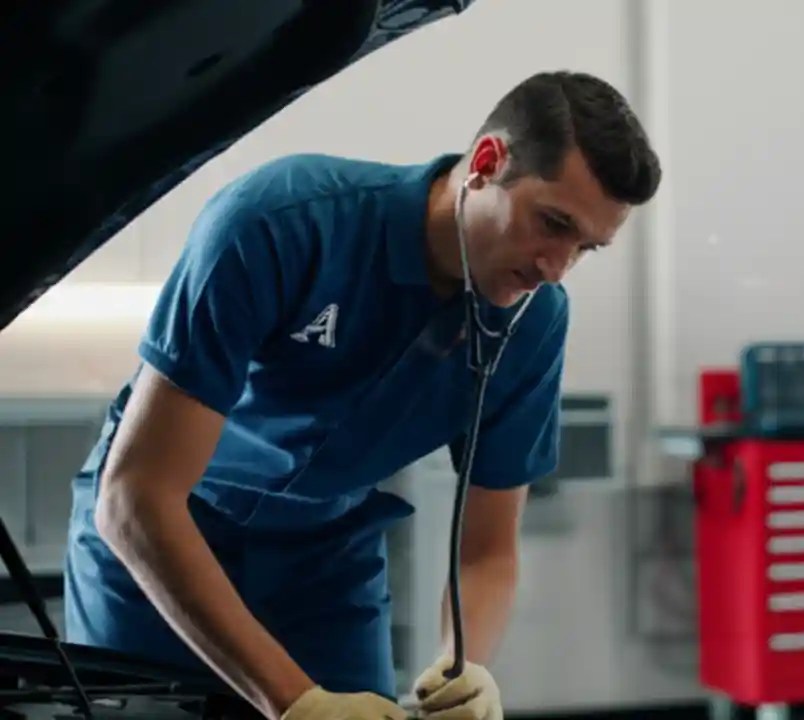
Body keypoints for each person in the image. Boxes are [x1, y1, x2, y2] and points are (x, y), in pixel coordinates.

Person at [61, 70, 661, 720]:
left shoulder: (532, 322)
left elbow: (488, 549)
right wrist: (297, 702)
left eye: (586, 248)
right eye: (552, 223)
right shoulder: (281, 222)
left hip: (323, 563)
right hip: (164, 540)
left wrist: (465, 665)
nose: (556, 267)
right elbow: (134, 499)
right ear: (487, 162)